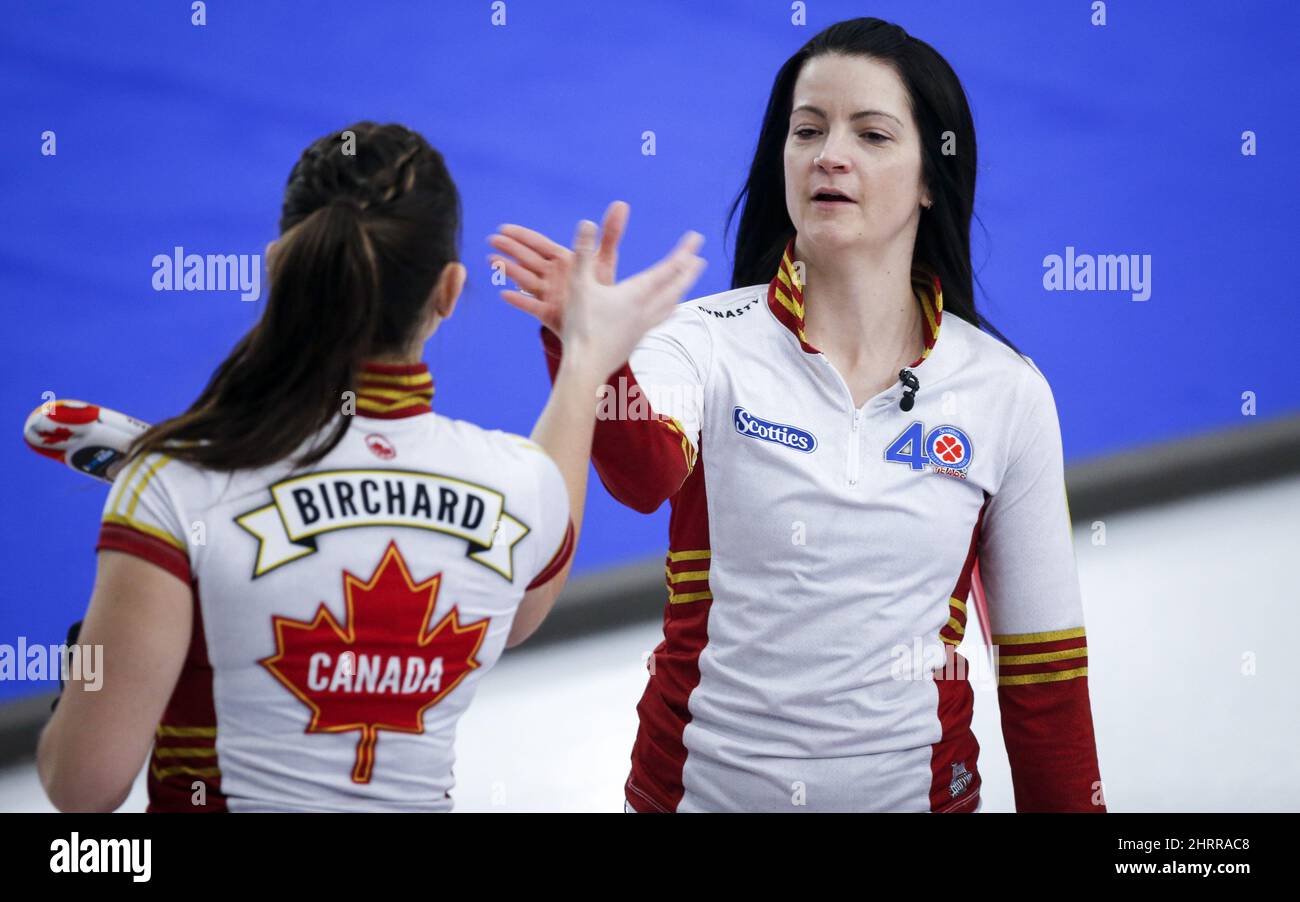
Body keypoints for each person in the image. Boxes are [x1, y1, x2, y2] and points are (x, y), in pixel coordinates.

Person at [487, 18, 1105, 812]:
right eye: (806, 129)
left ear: (930, 177)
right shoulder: (704, 341)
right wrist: (589, 353)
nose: (829, 155)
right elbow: (643, 477)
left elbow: (1043, 676)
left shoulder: (1005, 391)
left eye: (871, 134)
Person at [32, 121, 705, 812]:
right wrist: (586, 352)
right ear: (448, 290)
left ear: (277, 268)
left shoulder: (174, 490)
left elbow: (82, 790)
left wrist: (94, 653)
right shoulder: (519, 490)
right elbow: (535, 579)